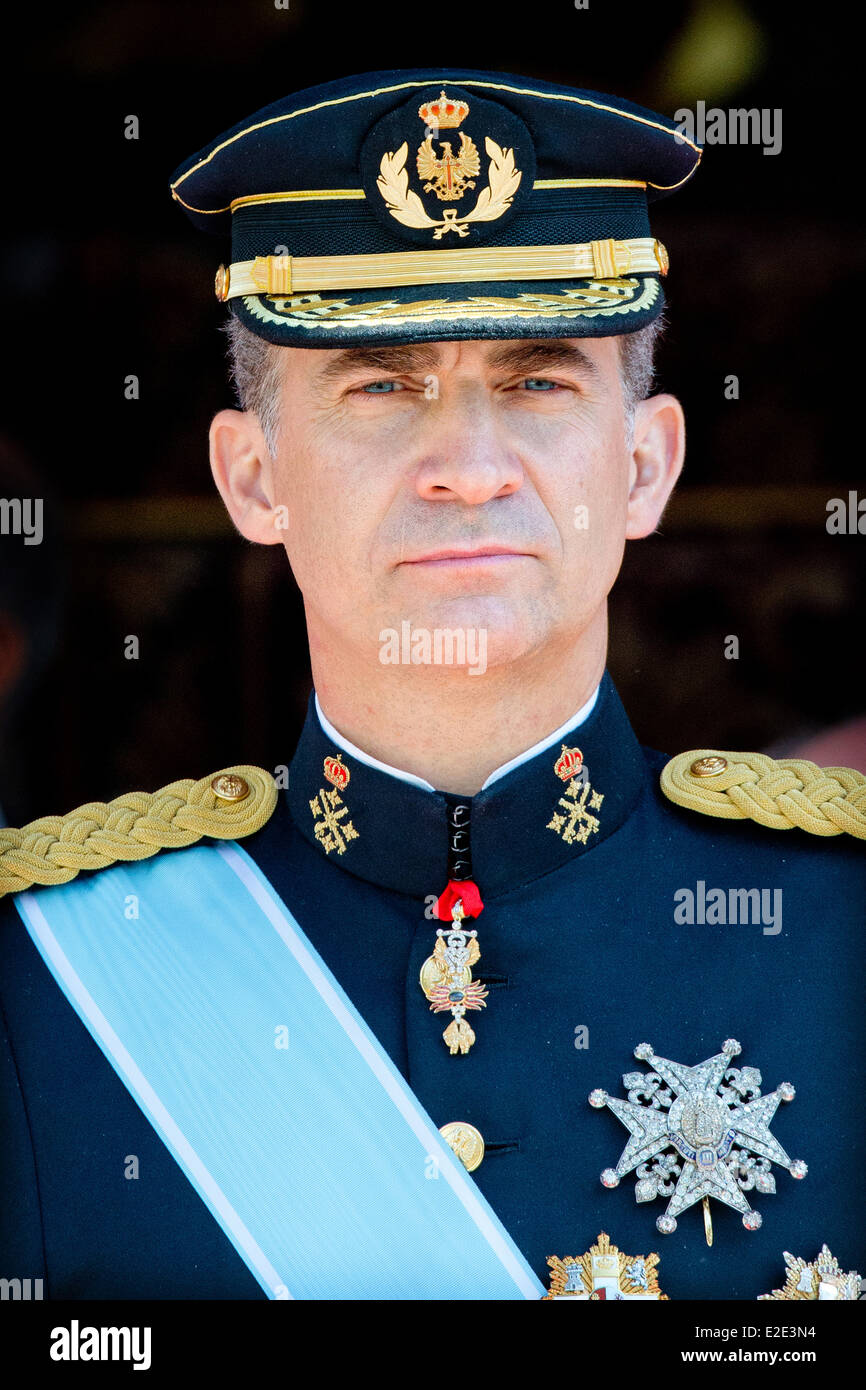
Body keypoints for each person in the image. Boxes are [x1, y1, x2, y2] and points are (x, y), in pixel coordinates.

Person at [1, 68, 863, 1302]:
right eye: (379, 385)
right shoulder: (42, 979)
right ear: (253, 478)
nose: (465, 466)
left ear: (644, 464)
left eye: (535, 380)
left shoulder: (840, 933)